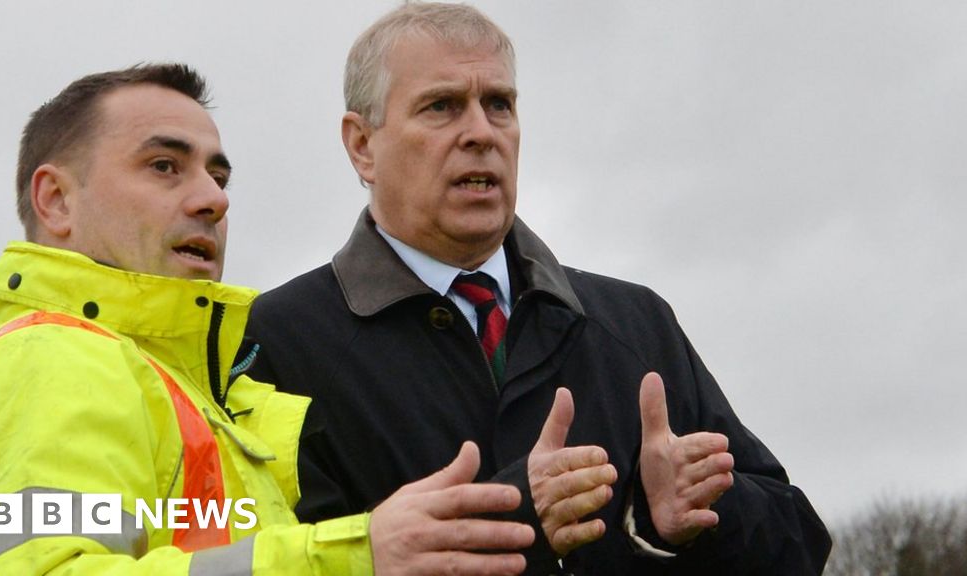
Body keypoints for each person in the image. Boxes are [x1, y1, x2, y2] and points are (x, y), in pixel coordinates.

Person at [0, 63, 614, 575]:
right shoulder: (47, 360)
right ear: (56, 200)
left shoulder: (200, 394)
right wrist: (359, 556)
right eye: (164, 166)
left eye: (219, 177)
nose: (213, 199)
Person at [247, 3, 833, 575]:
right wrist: (522, 518)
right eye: (442, 106)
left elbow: (800, 543)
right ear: (362, 145)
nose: (481, 133)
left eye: (498, 104)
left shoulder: (633, 322)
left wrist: (692, 519)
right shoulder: (278, 345)